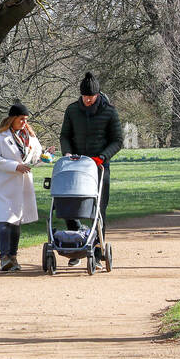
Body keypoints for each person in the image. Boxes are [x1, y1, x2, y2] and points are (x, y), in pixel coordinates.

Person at [57, 72, 123, 263]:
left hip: (99, 166)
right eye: (85, 96)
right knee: (69, 203)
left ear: (97, 95)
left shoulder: (109, 112)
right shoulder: (72, 110)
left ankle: (97, 249)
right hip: (76, 165)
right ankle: (75, 245)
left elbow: (117, 141)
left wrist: (103, 157)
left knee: (99, 208)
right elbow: (65, 136)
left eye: (91, 97)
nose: (87, 100)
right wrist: (67, 153)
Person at [0, 103, 55, 272]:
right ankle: (4, 257)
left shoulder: (30, 138)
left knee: (16, 221)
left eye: (26, 120)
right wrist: (15, 166)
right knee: (5, 220)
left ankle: (13, 256)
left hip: (22, 185)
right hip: (3, 185)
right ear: (12, 119)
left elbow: (35, 160)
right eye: (21, 119)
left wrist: (46, 157)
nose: (24, 123)